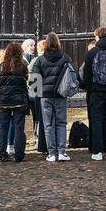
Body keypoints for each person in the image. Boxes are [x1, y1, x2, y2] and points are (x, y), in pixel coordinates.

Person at [78, 26, 106, 161]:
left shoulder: (92, 53)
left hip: (96, 92)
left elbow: (87, 74)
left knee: (96, 120)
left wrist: (90, 88)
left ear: (97, 36)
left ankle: (97, 151)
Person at [31, 32, 73, 161]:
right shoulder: (65, 58)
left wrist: (38, 95)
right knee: (61, 123)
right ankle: (62, 152)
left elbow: (34, 81)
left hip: (45, 96)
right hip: (60, 95)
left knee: (48, 124)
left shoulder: (40, 60)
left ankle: (51, 153)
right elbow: (72, 75)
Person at [0, 41, 29, 162]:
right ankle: (19, 154)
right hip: (19, 101)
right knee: (19, 128)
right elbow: (27, 82)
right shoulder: (23, 66)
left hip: (4, 101)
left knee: (3, 128)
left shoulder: (1, 66)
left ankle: (2, 154)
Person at [22, 36, 46, 154]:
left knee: (38, 117)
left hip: (36, 92)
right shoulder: (27, 59)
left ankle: (39, 139)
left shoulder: (35, 60)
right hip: (32, 93)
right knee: (36, 117)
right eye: (30, 46)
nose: (32, 48)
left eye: (33, 46)